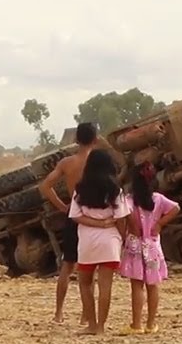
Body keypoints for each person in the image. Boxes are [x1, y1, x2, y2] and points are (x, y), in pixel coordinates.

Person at [39, 122, 125, 325]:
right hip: (100, 221)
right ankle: (86, 316)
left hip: (76, 214)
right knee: (93, 271)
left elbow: (46, 186)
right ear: (96, 140)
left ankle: (58, 312)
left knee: (68, 267)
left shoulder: (68, 163)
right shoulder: (99, 162)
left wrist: (62, 206)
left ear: (76, 140)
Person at [68, 148, 131, 335]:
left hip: (87, 242)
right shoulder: (115, 189)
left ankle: (92, 324)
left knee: (85, 283)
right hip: (110, 242)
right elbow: (121, 218)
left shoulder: (80, 189)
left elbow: (75, 216)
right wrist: (123, 238)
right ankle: (101, 327)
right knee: (106, 286)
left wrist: (97, 223)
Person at [118, 161, 180, 335]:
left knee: (136, 285)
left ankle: (136, 324)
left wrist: (130, 227)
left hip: (135, 244)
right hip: (152, 245)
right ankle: (151, 324)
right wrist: (160, 223)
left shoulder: (129, 200)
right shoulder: (158, 199)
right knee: (153, 285)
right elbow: (176, 207)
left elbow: (125, 212)